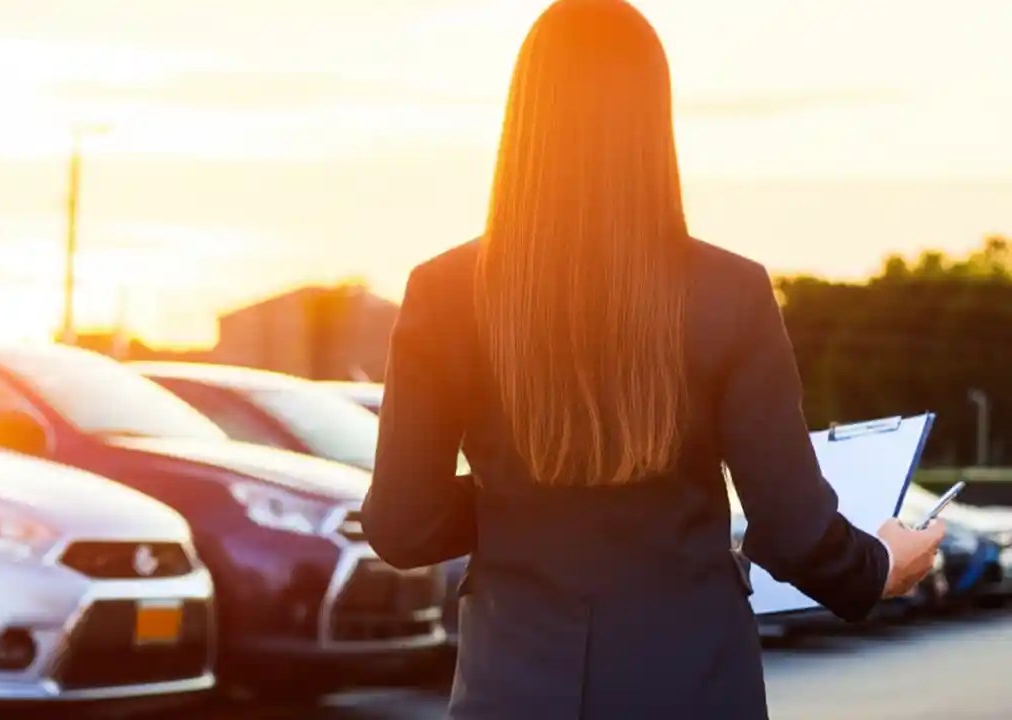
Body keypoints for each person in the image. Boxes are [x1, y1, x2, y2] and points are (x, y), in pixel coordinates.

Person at [360, 1, 944, 718]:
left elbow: (402, 525)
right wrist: (880, 564)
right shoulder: (730, 291)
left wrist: (518, 502)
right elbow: (792, 532)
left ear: (525, 116)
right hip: (691, 681)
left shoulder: (442, 290)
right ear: (651, 121)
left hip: (513, 686)